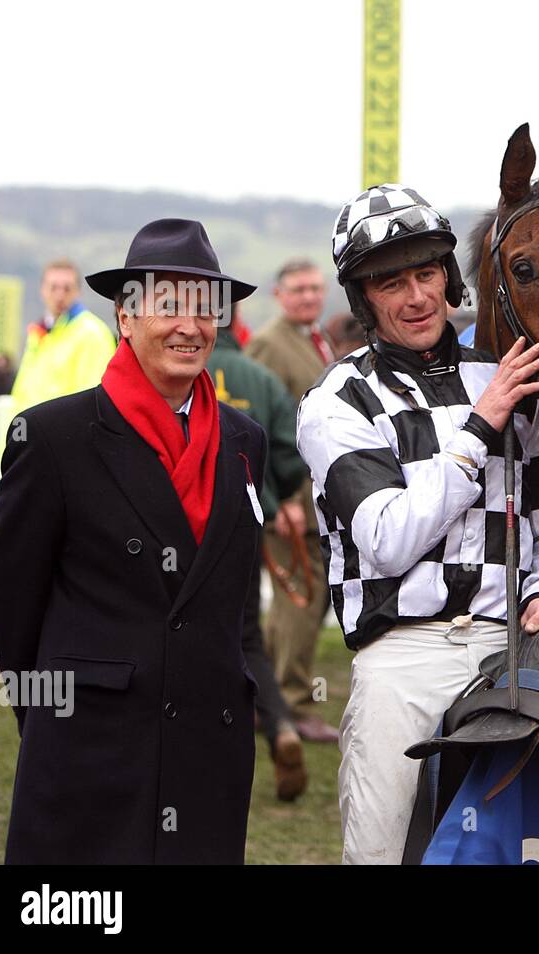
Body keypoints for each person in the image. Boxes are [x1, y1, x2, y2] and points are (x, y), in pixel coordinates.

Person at [296, 184, 539, 864]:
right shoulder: (338, 399)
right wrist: (481, 423)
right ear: (363, 299)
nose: (417, 296)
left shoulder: (509, 376)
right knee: (385, 854)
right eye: (390, 283)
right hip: (402, 657)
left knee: (512, 853)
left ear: (450, 275)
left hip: (509, 650)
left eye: (427, 273)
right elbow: (388, 539)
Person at [0, 219, 266, 863]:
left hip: (206, 754)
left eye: (204, 307)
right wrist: (60, 711)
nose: (189, 325)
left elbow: (231, 604)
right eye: (168, 305)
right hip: (90, 758)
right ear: (126, 316)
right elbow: (9, 596)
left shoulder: (244, 440)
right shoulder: (53, 439)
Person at [207, 302, 310, 800]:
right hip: (245, 527)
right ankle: (282, 729)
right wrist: (274, 498)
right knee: (247, 639)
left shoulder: (173, 370)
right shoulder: (263, 378)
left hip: (174, 536)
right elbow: (290, 458)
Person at [246, 259, 339, 744]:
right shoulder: (268, 344)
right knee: (298, 601)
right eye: (297, 289)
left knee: (304, 599)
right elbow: (256, 428)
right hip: (289, 501)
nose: (307, 297)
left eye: (314, 288)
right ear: (279, 295)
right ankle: (291, 705)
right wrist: (278, 500)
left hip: (314, 499)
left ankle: (278, 701)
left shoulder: (314, 339)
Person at [11, 258, 116, 413]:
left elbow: (92, 402)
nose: (60, 295)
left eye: (67, 288)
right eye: (53, 287)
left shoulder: (93, 334)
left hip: (59, 433)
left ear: (78, 291)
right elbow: (24, 391)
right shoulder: (39, 332)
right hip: (26, 430)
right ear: (42, 290)